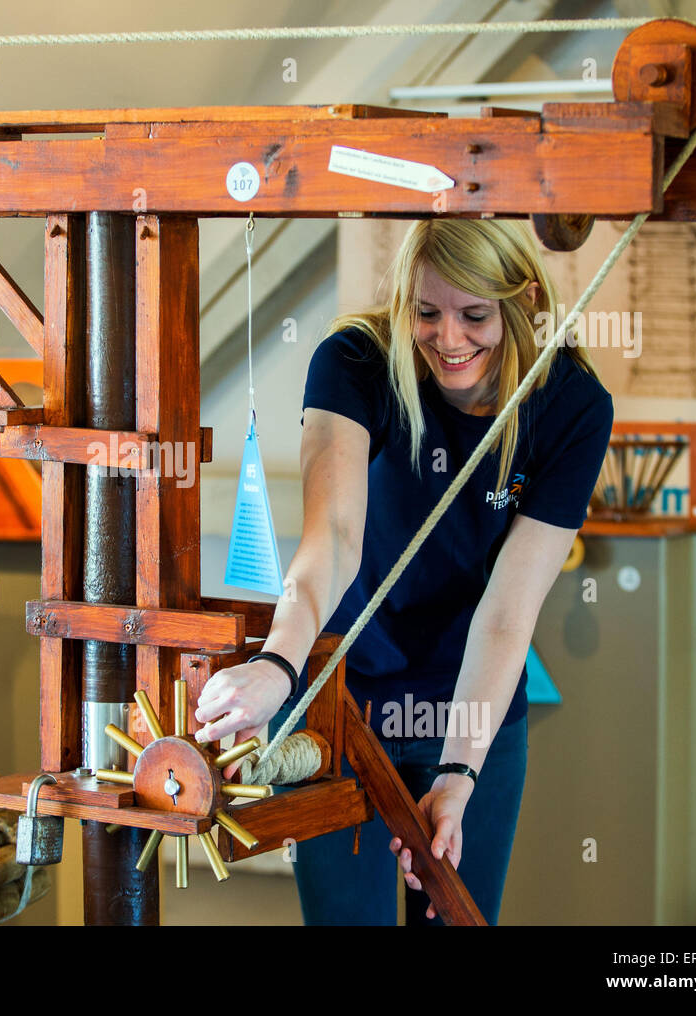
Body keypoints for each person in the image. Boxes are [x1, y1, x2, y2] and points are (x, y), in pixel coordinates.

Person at [192, 218, 614, 925]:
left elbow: (508, 613)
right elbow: (333, 536)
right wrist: (279, 664)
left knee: (454, 914)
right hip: (339, 701)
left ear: (522, 301)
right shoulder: (356, 361)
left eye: (475, 315)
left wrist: (458, 772)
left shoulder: (569, 403)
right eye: (426, 312)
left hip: (471, 707)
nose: (450, 339)